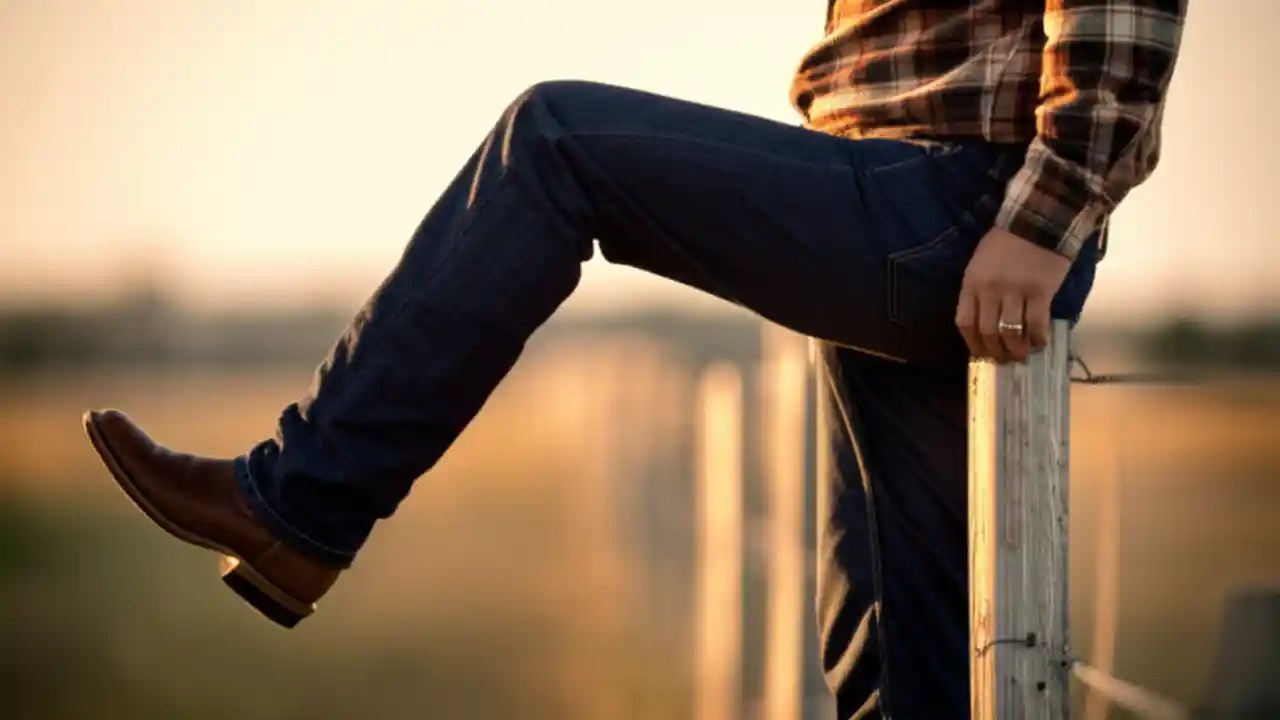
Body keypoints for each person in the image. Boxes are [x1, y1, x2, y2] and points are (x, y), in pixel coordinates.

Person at [83, 1, 1187, 717]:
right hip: (891, 191)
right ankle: (297, 522)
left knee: (554, 143)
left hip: (956, 201)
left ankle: (299, 509)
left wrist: (1044, 216)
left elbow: (1119, 20)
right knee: (894, 661)